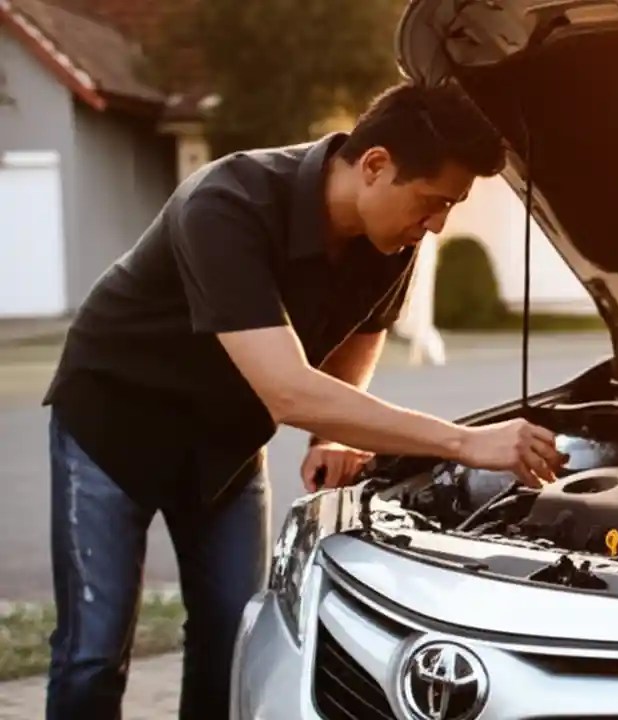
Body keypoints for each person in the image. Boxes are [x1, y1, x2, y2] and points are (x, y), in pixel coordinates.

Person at [41, 81, 564, 720]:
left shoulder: (392, 241)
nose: (437, 225)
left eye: (449, 207)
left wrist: (334, 437)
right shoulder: (226, 203)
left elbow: (360, 340)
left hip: (227, 446)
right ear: (375, 166)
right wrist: (464, 442)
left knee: (230, 638)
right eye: (433, 202)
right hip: (113, 425)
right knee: (93, 655)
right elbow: (287, 390)